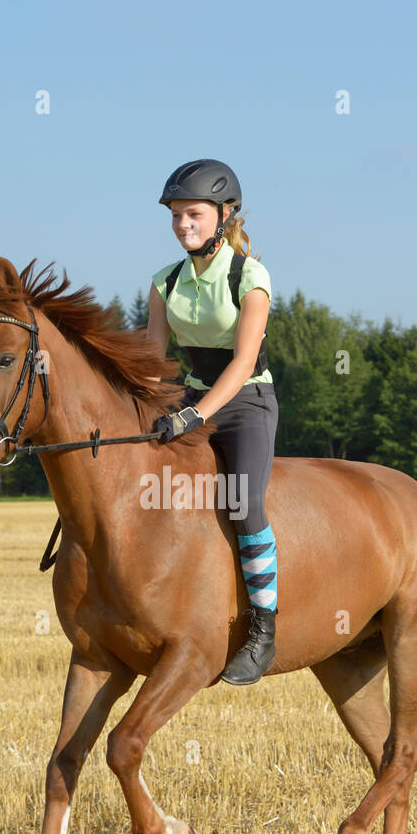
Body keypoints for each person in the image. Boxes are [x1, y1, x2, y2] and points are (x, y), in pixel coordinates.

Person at [147, 159, 279, 684]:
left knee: (244, 503)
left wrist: (193, 415)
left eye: (193, 214)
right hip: (189, 399)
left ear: (224, 216)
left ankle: (263, 630)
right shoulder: (164, 281)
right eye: (177, 216)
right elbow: (154, 364)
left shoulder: (250, 276)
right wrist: (150, 413)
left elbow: (244, 363)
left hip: (246, 401)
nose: (183, 224)